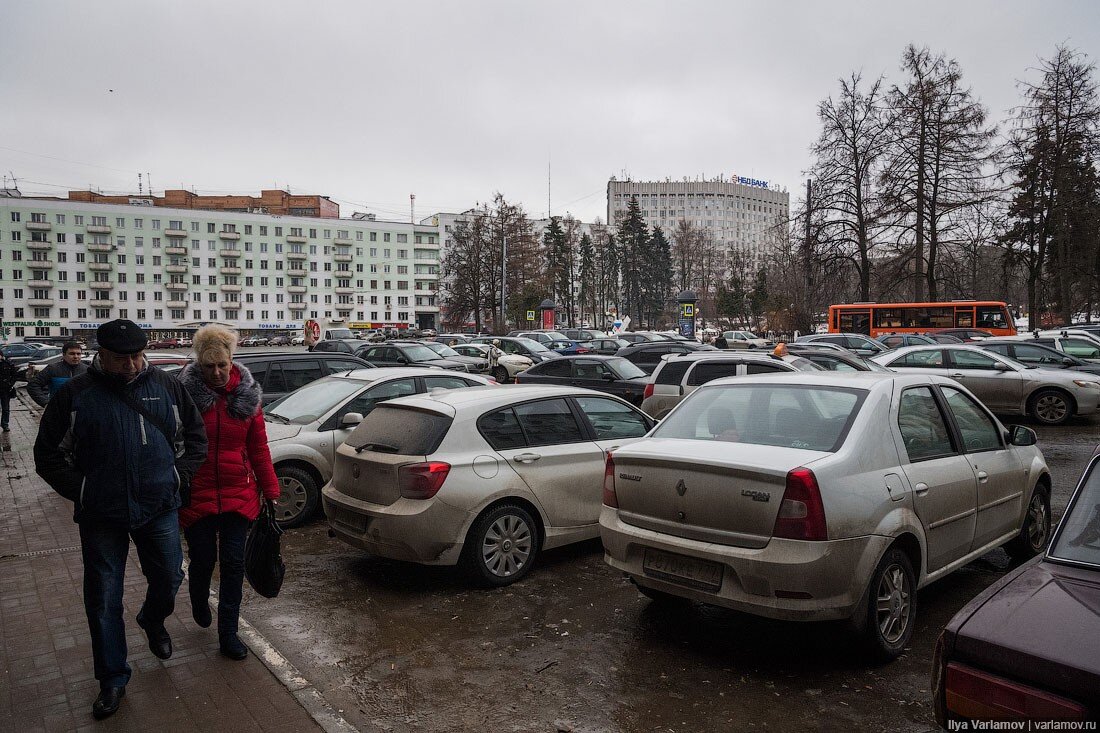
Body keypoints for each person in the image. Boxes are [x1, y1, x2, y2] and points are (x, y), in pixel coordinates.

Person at [34, 319, 207, 720]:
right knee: (103, 598)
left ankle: (152, 618)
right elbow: (47, 456)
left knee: (169, 576)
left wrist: (178, 477)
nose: (130, 366)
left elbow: (196, 439)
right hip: (101, 515)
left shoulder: (167, 386)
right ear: (101, 355)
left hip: (158, 506)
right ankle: (112, 678)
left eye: (135, 356)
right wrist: (84, 492)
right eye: (119, 358)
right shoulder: (77, 394)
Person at [177, 325, 280, 661]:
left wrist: (271, 489)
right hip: (197, 494)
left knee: (234, 564)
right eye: (209, 367)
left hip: (239, 493)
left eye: (222, 365)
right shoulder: (184, 398)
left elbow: (259, 447)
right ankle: (197, 595)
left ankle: (228, 634)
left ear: (231, 361)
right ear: (200, 365)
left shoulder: (247, 398)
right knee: (204, 559)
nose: (217, 373)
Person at [28, 340, 88, 406]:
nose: (76, 356)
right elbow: (33, 385)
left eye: (78, 354)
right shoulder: (53, 369)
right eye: (72, 354)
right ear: (64, 355)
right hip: (59, 411)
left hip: (82, 411)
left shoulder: (87, 370)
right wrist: (45, 403)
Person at [0, 349, 18, 432]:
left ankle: (5, 424)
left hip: (5, 390)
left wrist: (10, 384)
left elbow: (14, 375)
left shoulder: (8, 364)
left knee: (6, 409)